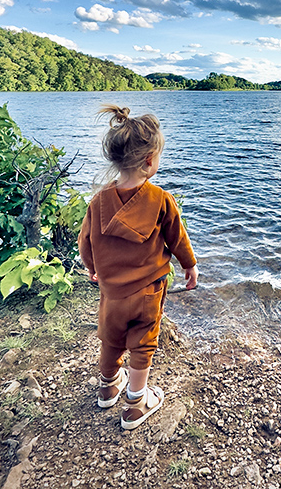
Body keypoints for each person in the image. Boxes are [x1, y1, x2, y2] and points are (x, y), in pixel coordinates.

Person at [78, 104, 198, 430]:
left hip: (112, 292)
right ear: (149, 161)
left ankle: (107, 388)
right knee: (142, 344)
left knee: (111, 339)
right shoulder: (160, 199)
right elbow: (178, 239)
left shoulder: (99, 201)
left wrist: (92, 268)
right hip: (148, 291)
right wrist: (189, 266)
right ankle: (135, 403)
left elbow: (85, 241)